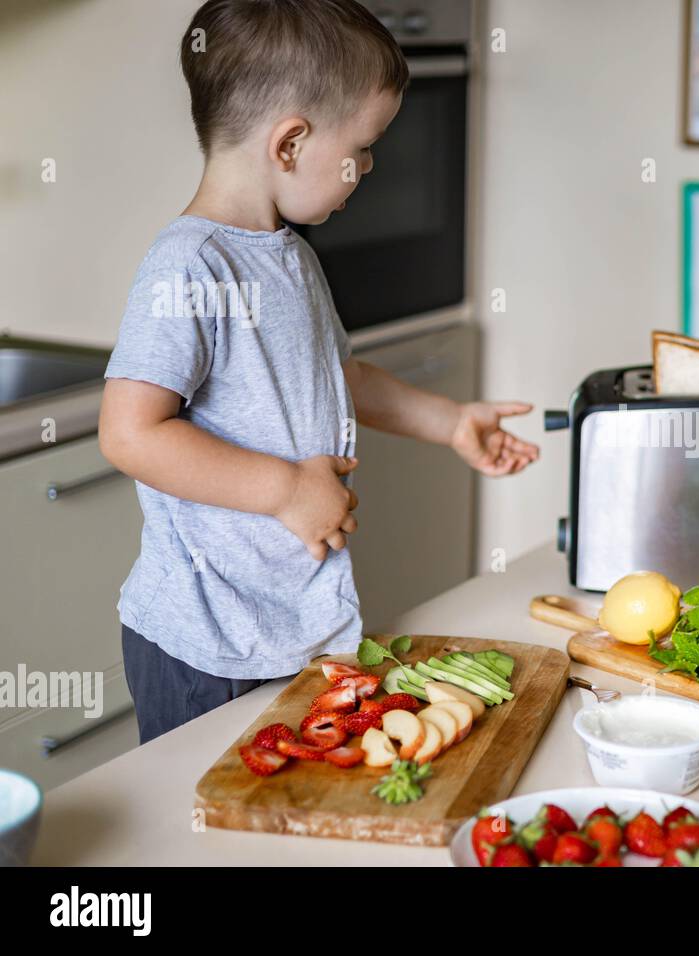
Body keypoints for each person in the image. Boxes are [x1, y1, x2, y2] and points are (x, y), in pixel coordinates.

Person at [99, 0, 538, 744]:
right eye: (362, 147)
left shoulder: (290, 257)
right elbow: (131, 434)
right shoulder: (189, 264)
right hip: (204, 640)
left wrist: (450, 420)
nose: (368, 168)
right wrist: (286, 489)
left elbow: (343, 377)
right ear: (291, 142)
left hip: (286, 622)